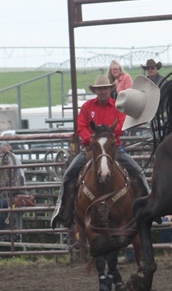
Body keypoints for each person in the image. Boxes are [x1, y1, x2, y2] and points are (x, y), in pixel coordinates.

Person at [50, 74, 148, 228]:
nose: (103, 91)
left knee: (138, 173)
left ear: (110, 89)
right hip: (92, 149)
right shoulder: (87, 107)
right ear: (96, 91)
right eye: (100, 89)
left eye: (105, 89)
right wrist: (92, 140)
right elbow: (81, 126)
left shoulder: (118, 107)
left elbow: (122, 125)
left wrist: (108, 139)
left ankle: (148, 209)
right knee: (69, 175)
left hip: (113, 148)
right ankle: (63, 212)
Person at [0, 143, 28, 241]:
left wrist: (8, 171)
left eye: (10, 152)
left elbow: (18, 183)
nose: (7, 155)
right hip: (2, 195)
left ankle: (5, 232)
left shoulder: (15, 163)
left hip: (16, 195)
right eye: (4, 153)